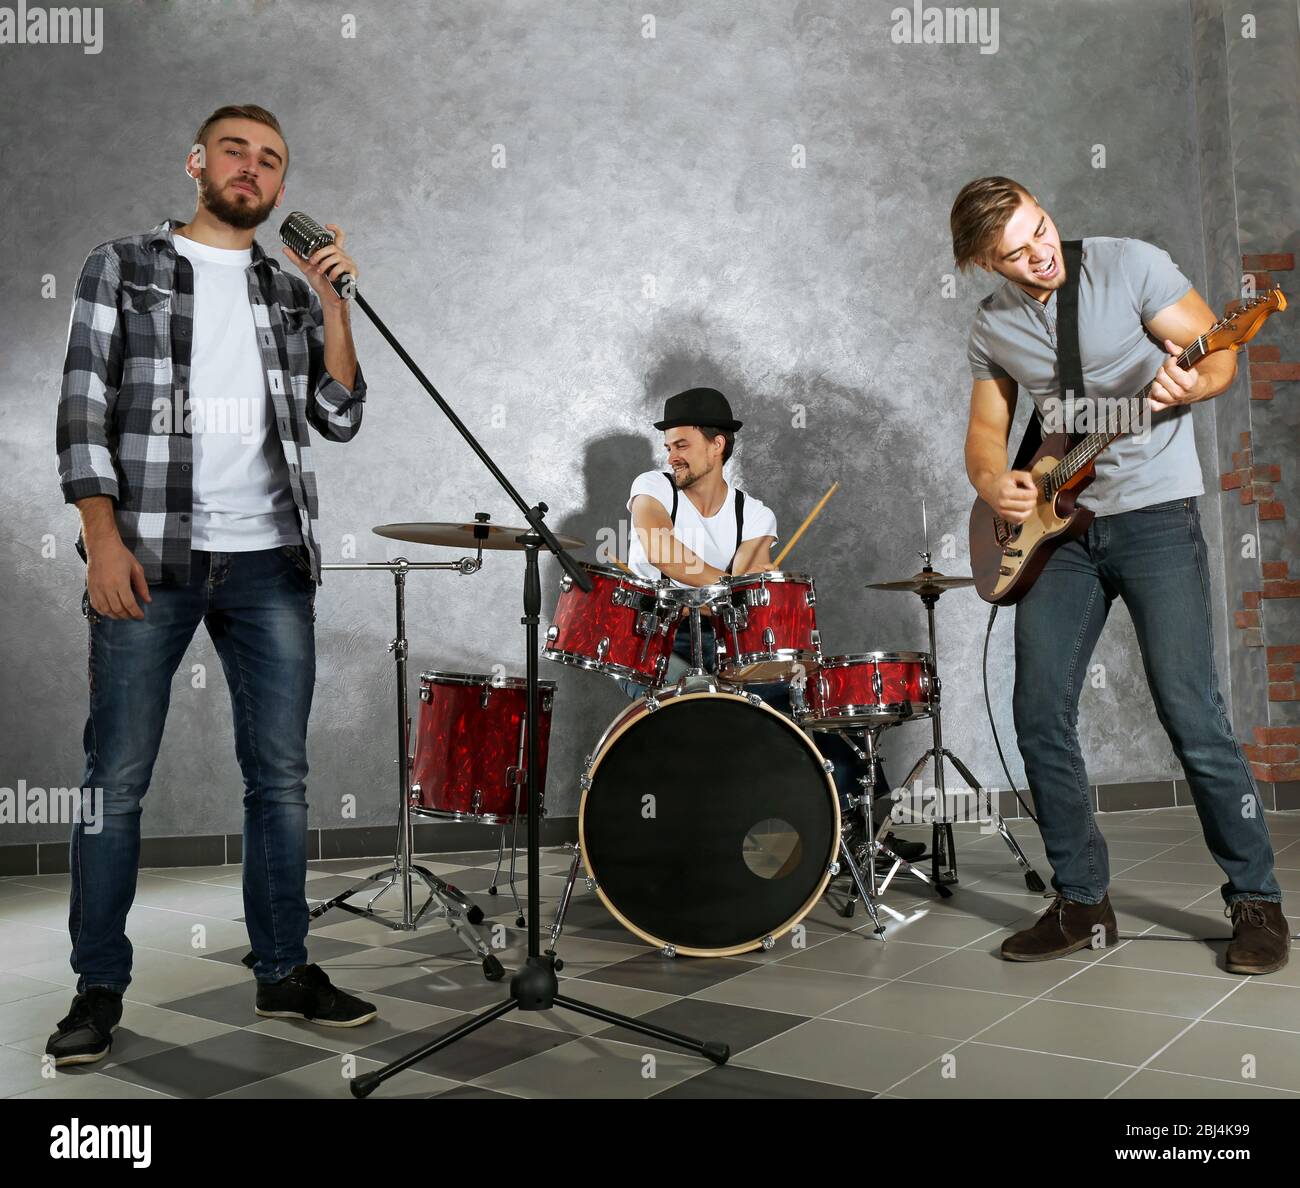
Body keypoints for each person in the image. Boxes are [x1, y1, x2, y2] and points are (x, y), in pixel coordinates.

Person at [48, 104, 377, 1066]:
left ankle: (283, 971)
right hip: (151, 558)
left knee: (279, 779)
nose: (252, 168)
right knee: (116, 781)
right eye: (235, 151)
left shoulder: (286, 288)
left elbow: (340, 412)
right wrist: (102, 540)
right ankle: (97, 987)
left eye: (271, 161)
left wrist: (335, 300)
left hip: (271, 563)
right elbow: (81, 412)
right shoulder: (124, 267)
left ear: (280, 188)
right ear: (197, 161)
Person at [954, 175, 1287, 972]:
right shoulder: (992, 324)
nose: (1039, 254)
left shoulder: (1128, 264)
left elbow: (1219, 351)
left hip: (1153, 517)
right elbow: (984, 428)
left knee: (1190, 711)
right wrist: (991, 482)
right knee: (1037, 712)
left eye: (1039, 229)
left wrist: (1190, 379)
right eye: (1015, 253)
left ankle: (1256, 901)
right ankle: (1080, 903)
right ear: (983, 264)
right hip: (1059, 534)